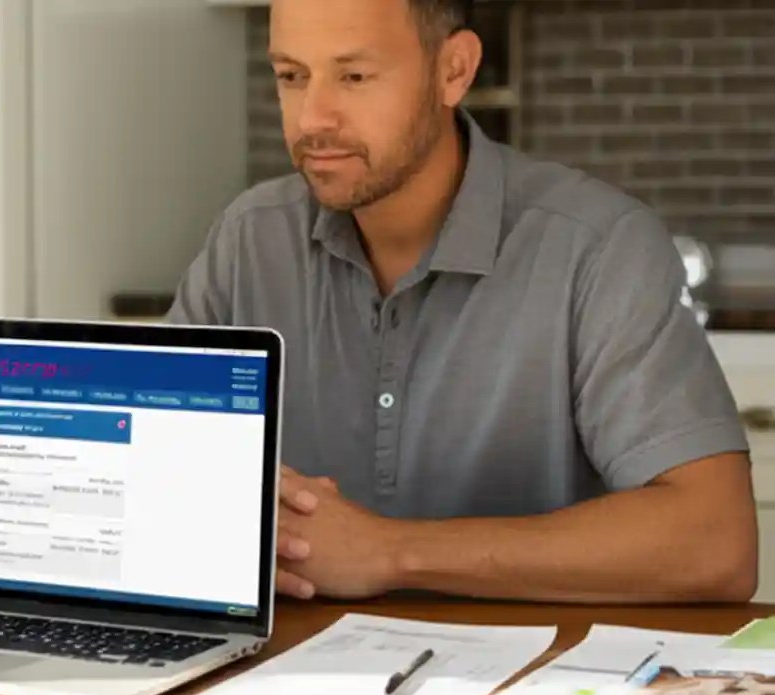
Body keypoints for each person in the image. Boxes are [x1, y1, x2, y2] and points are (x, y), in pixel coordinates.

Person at [166, 0, 758, 603]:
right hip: (283, 678)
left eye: (354, 76)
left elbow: (716, 543)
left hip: (534, 681)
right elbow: (148, 478)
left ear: (455, 69)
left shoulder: (598, 246)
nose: (312, 117)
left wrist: (391, 551)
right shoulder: (249, 239)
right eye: (292, 76)